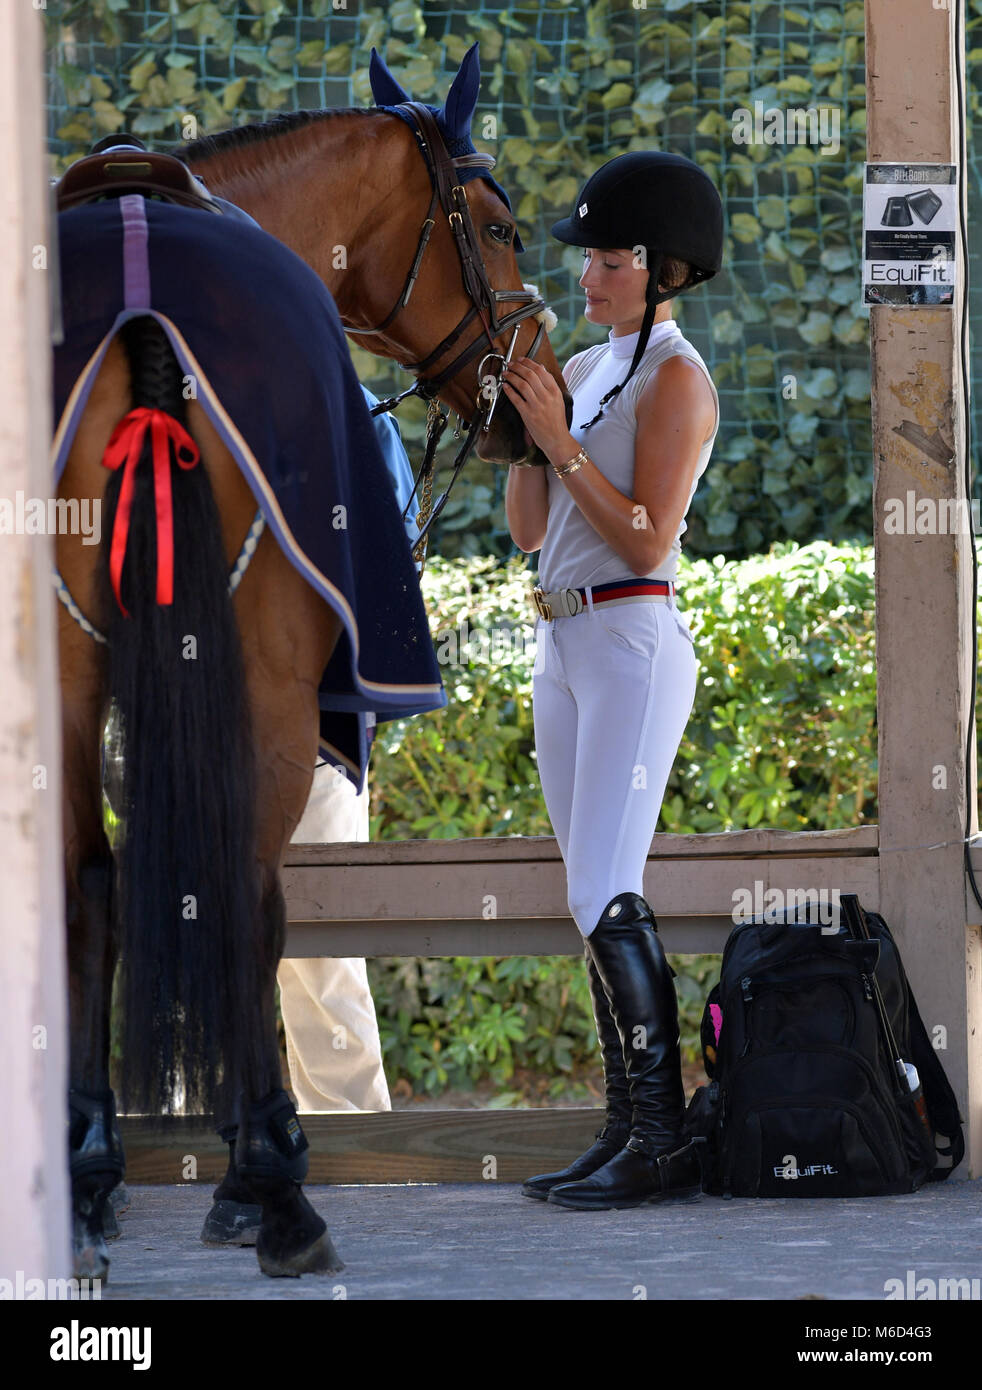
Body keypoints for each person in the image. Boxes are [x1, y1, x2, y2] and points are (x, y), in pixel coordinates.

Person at [500, 151, 724, 1210]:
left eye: (608, 258)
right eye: (587, 257)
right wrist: (521, 436)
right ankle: (623, 1125)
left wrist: (558, 440)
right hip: (560, 645)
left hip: (632, 642)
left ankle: (662, 1136)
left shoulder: (677, 377)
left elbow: (647, 540)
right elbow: (530, 529)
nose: (586, 276)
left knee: (603, 887)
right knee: (584, 897)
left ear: (661, 270)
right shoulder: (588, 372)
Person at [275, 385, 422, 1112]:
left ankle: (352, 1148)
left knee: (323, 956)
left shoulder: (359, 412)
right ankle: (180, 1145)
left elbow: (391, 567)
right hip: (197, 729)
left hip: (315, 730)